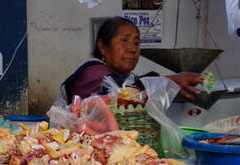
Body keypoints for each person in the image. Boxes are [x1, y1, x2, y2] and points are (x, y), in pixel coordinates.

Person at [58, 17, 204, 104]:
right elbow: (120, 91)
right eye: (124, 41)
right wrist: (170, 81)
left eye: (136, 43)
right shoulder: (91, 71)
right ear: (102, 46)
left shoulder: (130, 78)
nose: (132, 48)